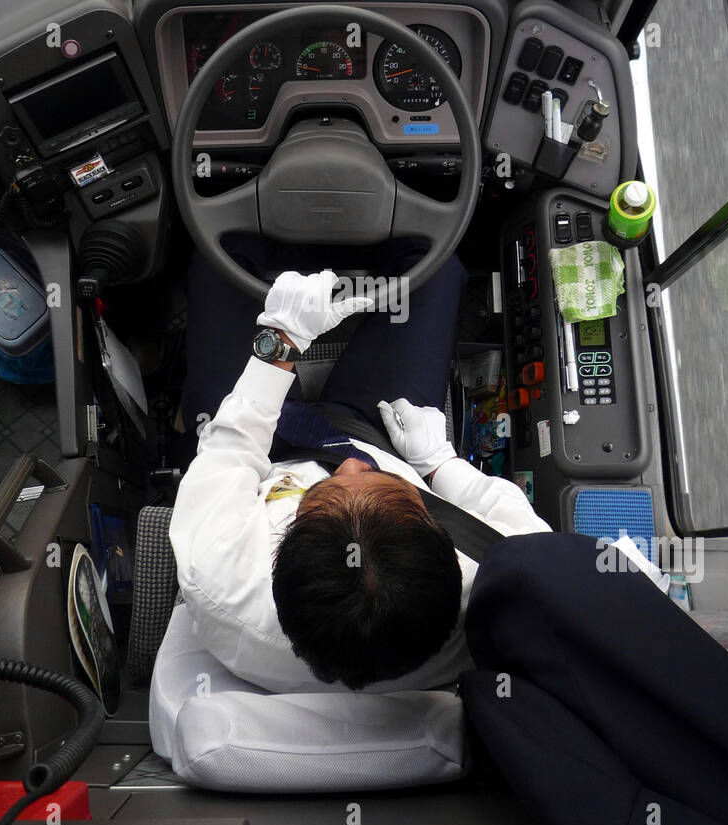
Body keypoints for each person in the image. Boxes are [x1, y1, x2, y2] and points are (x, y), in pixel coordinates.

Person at [171, 236, 550, 696]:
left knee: (218, 260)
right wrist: (437, 463)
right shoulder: (496, 584)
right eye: (376, 484)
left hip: (269, 456)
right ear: (443, 535)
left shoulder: (217, 573)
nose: (349, 466)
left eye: (322, 495)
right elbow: (497, 510)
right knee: (436, 265)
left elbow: (229, 449)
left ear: (280, 551)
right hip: (386, 438)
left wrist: (281, 341)